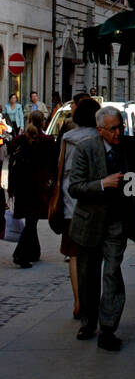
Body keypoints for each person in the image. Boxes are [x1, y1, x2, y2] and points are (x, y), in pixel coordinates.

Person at [68, 105, 135, 350]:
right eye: (113, 129)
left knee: (112, 272)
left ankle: (108, 328)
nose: (118, 133)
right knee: (88, 275)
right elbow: (75, 187)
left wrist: (131, 211)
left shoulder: (131, 146)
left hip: (117, 222)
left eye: (120, 126)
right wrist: (102, 184)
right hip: (89, 223)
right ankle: (88, 322)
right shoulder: (85, 149)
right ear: (100, 130)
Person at [57, 95, 100, 319]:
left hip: (68, 204)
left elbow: (60, 169)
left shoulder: (67, 138)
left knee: (74, 255)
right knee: (93, 255)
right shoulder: (99, 138)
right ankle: (91, 300)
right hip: (92, 205)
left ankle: (78, 302)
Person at [8, 112, 58, 268]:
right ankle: (20, 254)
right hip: (38, 185)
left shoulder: (19, 140)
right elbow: (53, 164)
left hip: (22, 185)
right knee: (31, 220)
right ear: (42, 123)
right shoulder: (47, 141)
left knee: (31, 219)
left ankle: (34, 251)